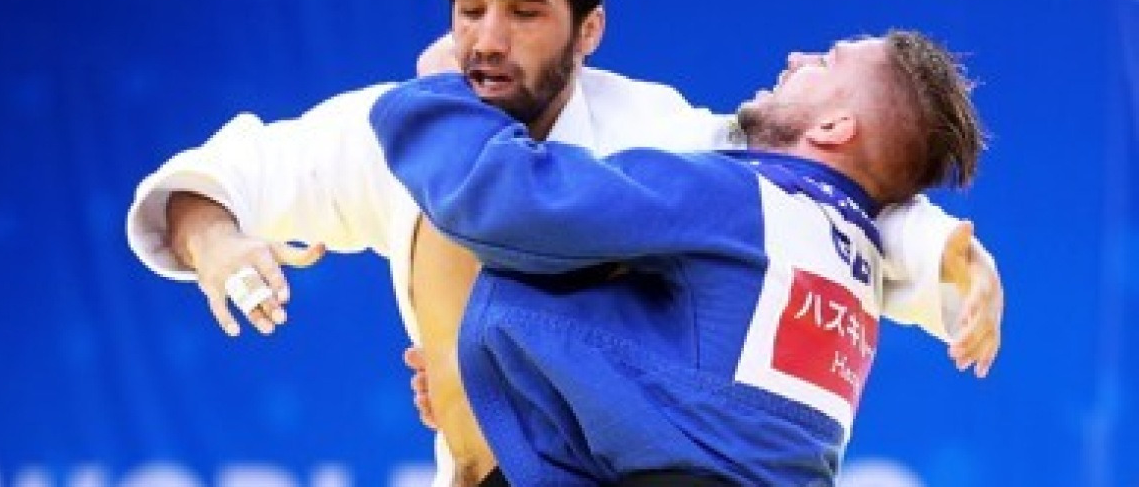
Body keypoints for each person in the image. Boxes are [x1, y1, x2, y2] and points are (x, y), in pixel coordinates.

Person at [125, 0, 1003, 487]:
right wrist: (219, 243)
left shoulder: (665, 134)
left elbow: (822, 198)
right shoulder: (381, 129)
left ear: (588, 31)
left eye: (524, 10)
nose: (488, 38)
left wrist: (950, 260)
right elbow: (230, 176)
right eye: (470, 8)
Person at [368, 29, 986, 485]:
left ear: (834, 128)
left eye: (823, 64)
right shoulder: (856, 266)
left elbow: (509, 202)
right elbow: (691, 380)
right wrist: (498, 370)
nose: (796, 57)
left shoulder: (736, 199)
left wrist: (437, 93)